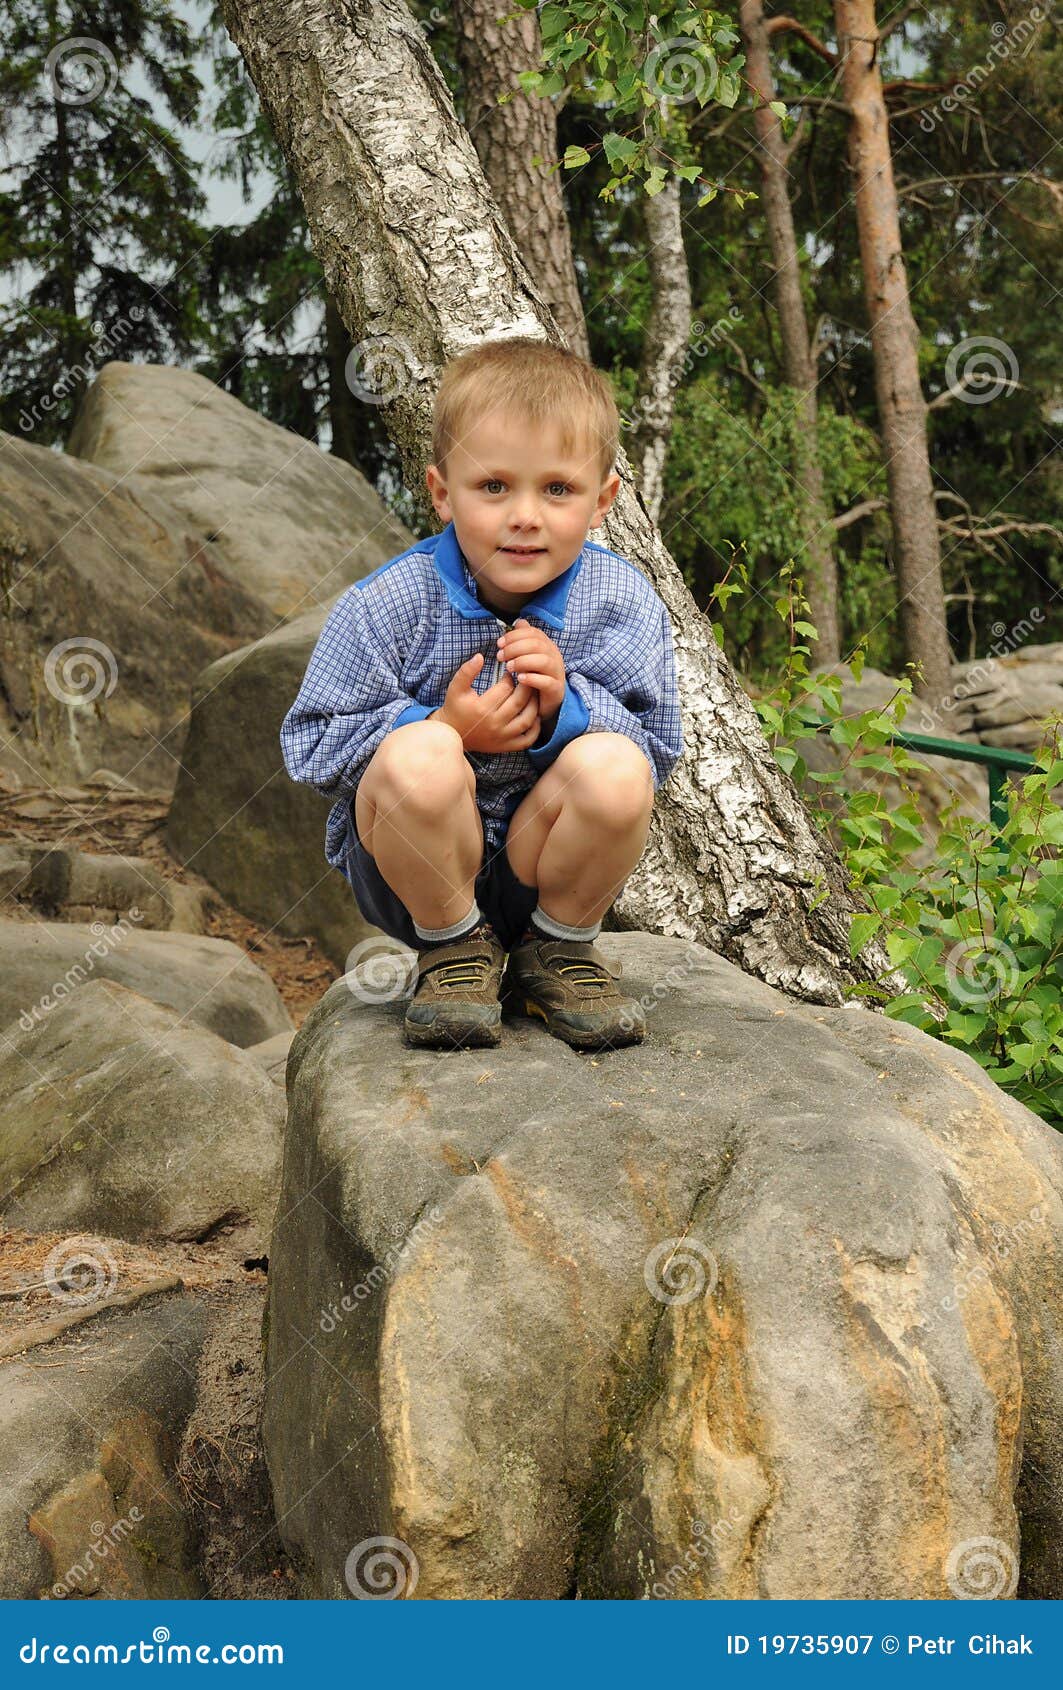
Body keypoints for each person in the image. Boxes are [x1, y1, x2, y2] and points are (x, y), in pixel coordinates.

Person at [280, 336, 684, 1051]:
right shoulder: (388, 604)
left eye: (556, 489)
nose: (524, 516)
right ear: (442, 493)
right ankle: (454, 950)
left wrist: (567, 709)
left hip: (546, 863)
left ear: (602, 500)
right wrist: (445, 726)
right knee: (422, 753)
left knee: (618, 768)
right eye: (493, 486)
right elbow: (311, 743)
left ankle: (556, 949)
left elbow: (657, 753)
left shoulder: (621, 600)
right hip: (418, 868)